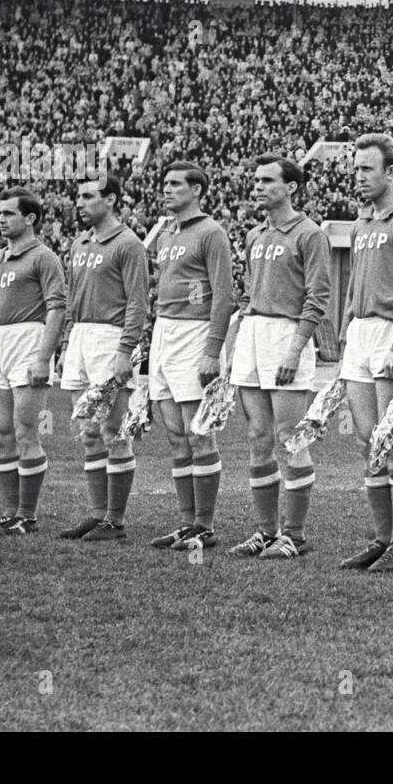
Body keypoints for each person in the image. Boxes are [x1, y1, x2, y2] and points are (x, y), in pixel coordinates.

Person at [226, 154, 332, 560]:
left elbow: (318, 296)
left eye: (268, 180)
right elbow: (251, 294)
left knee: (290, 437)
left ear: (291, 187)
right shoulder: (255, 235)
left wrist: (296, 346)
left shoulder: (309, 234)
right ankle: (265, 532)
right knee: (257, 437)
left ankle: (295, 534)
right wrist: (237, 340)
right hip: (254, 333)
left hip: (287, 334)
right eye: (256, 180)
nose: (258, 187)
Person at [337, 134, 393, 574]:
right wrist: (348, 320)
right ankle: (381, 539)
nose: (358, 177)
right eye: (355, 169)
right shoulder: (360, 222)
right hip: (361, 332)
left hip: (392, 331)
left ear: (391, 172)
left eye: (366, 169)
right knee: (366, 439)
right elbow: (355, 279)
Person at [146, 162, 235, 552]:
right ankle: (186, 523)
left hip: (195, 332)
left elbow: (223, 294)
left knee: (198, 433)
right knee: (175, 435)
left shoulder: (211, 232)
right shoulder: (166, 233)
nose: (166, 190)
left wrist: (212, 350)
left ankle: (205, 524)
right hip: (164, 331)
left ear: (196, 190)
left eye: (175, 184)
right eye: (164, 184)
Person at [57, 173, 149, 542]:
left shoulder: (128, 243)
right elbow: (71, 298)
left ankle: (116, 519)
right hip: (81, 336)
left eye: (87, 196)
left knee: (113, 431)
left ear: (110, 200)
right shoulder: (79, 243)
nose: (78, 202)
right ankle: (97, 515)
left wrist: (125, 350)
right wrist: (66, 344)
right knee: (88, 431)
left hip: (111, 339)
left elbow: (138, 301)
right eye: (77, 196)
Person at [0, 187, 68, 536]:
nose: (0, 219)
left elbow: (57, 307)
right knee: (2, 433)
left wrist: (44, 358)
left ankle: (27, 516)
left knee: (26, 430)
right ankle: (9, 513)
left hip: (29, 339)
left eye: (8, 213)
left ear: (29, 218)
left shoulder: (44, 257)